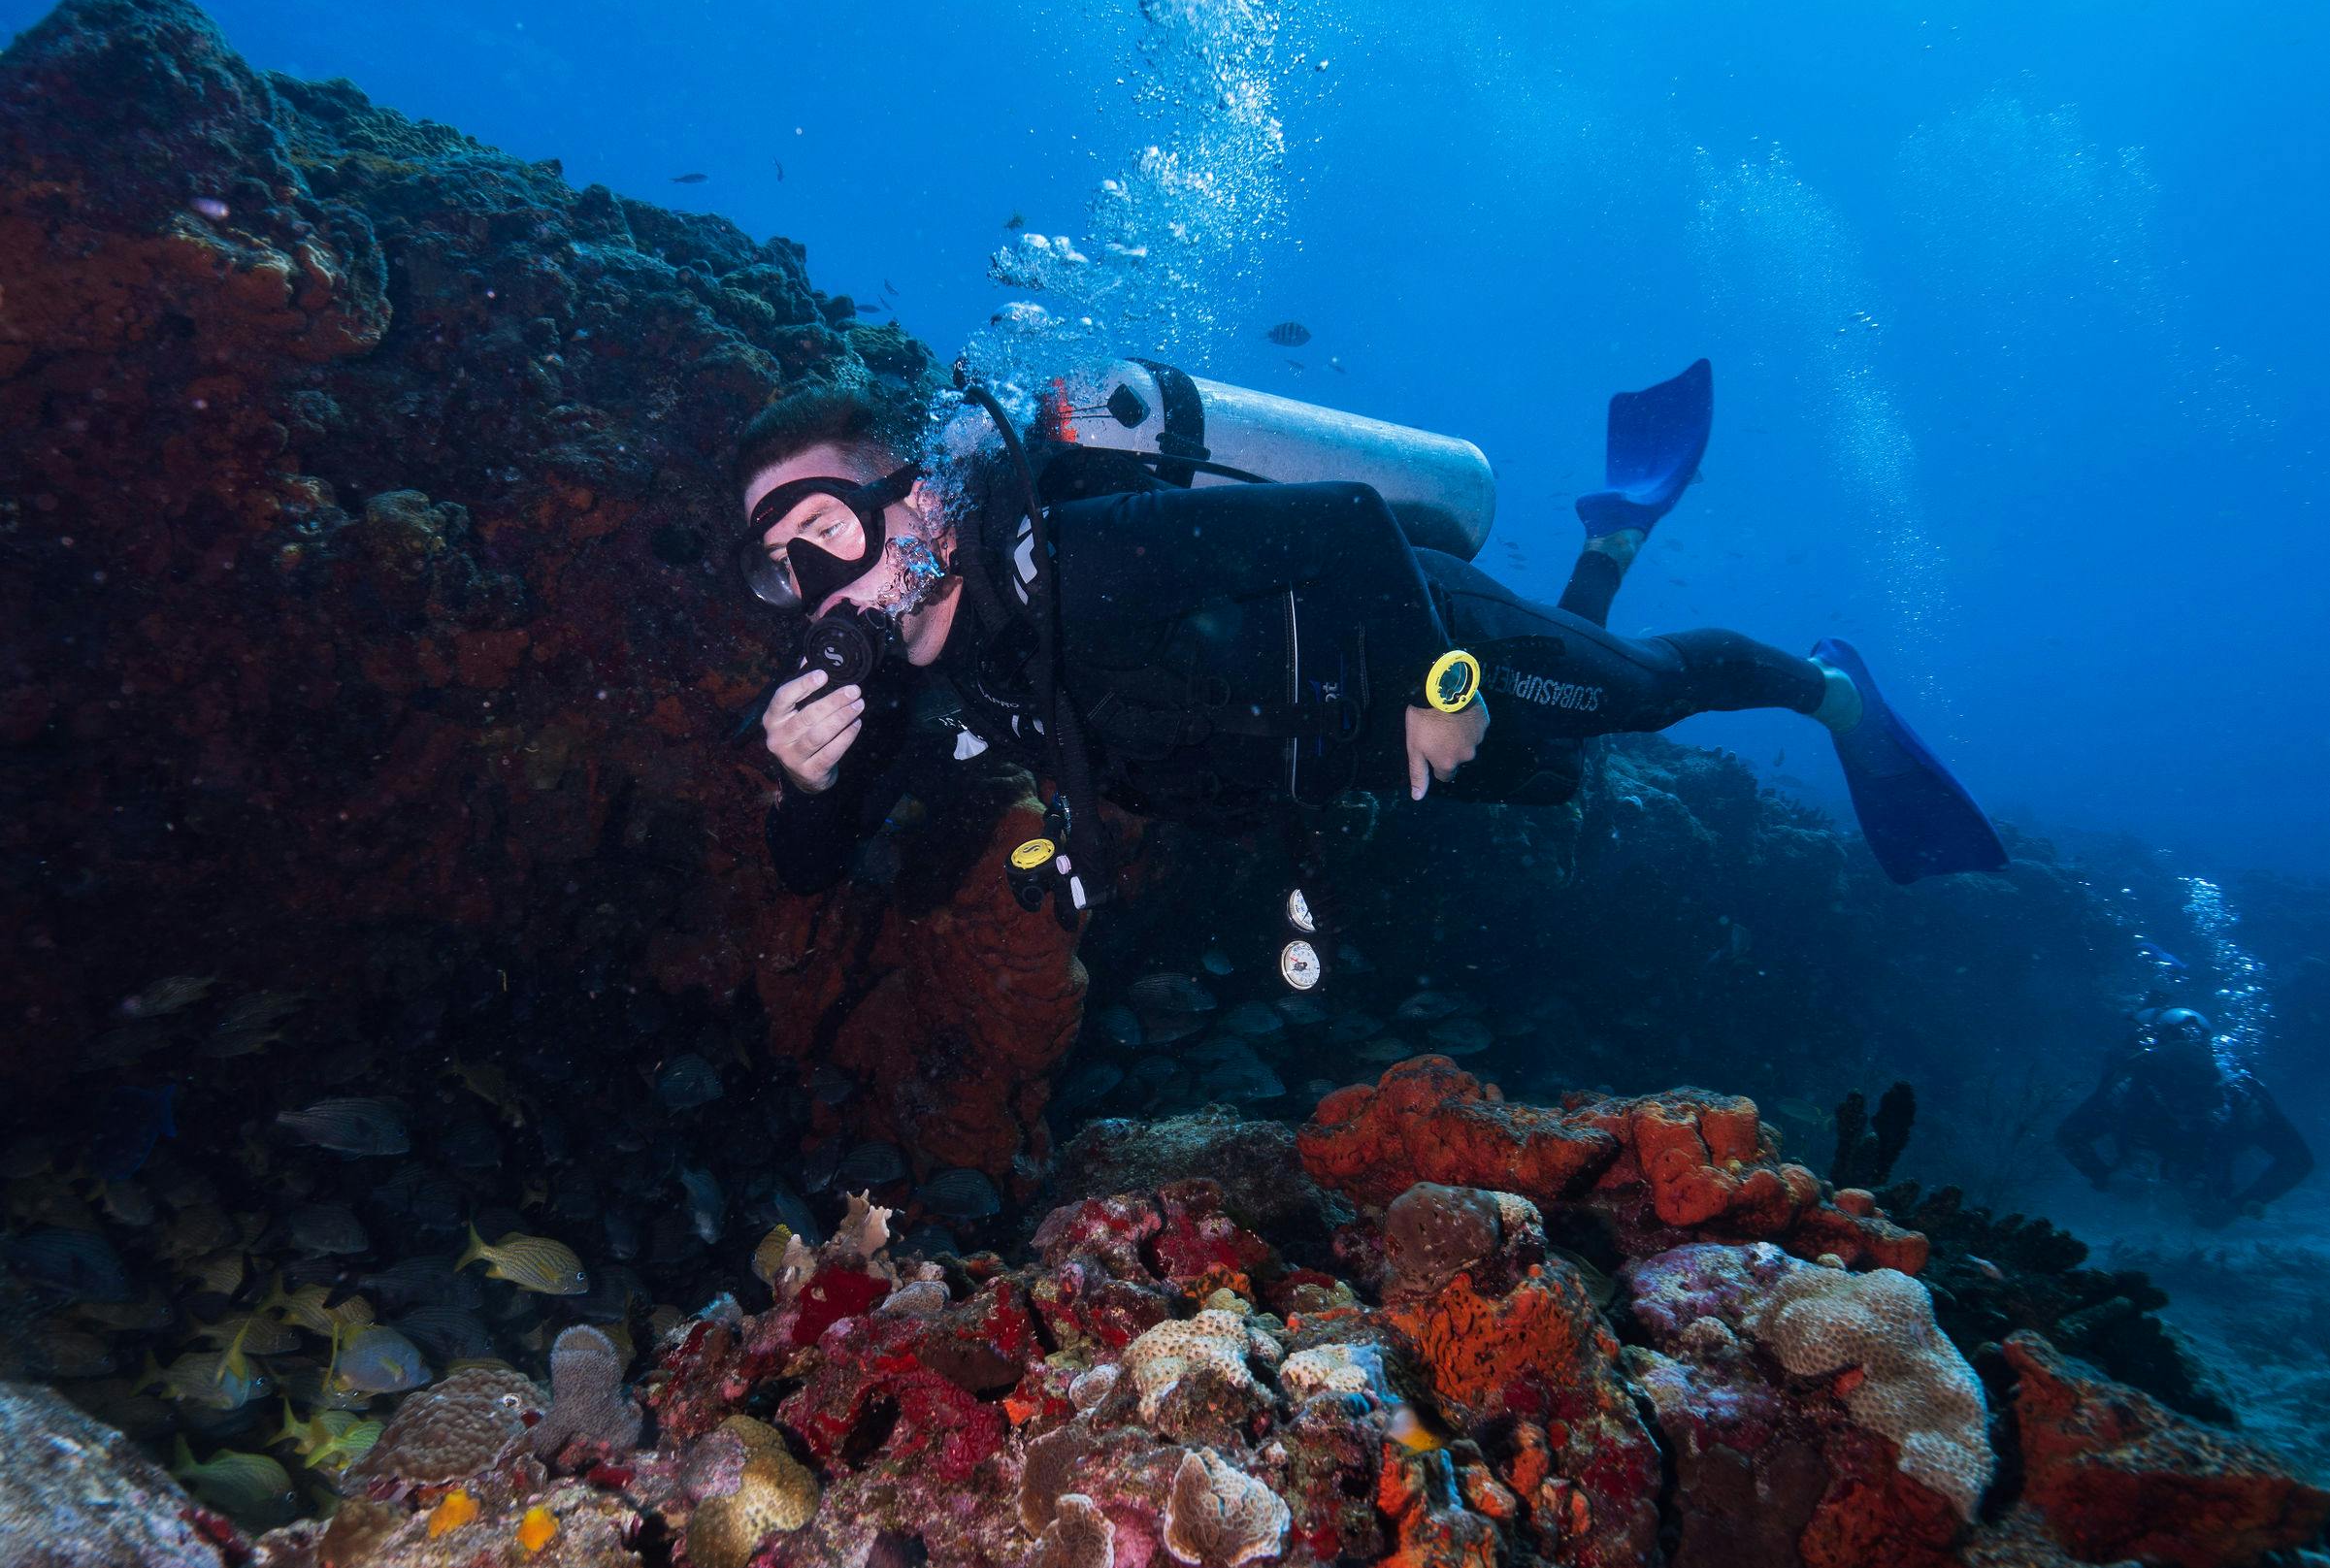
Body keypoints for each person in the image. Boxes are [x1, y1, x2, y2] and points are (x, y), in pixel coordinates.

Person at [732, 359, 2006, 957]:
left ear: (925, 507)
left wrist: (1435, 686)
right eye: (779, 566)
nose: (814, 586)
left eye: (828, 531)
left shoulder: (1093, 558)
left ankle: (1832, 692)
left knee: (1636, 702)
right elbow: (809, 873)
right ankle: (1608, 546)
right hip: (1344, 752)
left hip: (1417, 640)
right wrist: (804, 785)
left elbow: (1341, 518)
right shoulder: (905, 690)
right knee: (1552, 776)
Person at [2057, 1006, 2314, 1223]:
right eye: (2183, 1103)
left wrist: (2242, 1204)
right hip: (2148, 1147)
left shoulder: (2240, 1096)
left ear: (2217, 1086)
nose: (2188, 1116)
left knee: (2213, 1193)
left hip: (2210, 1162)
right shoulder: (2131, 1089)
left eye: (2202, 1103)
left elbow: (2297, 1159)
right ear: (2157, 1088)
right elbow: (2070, 1135)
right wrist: (2106, 1178)